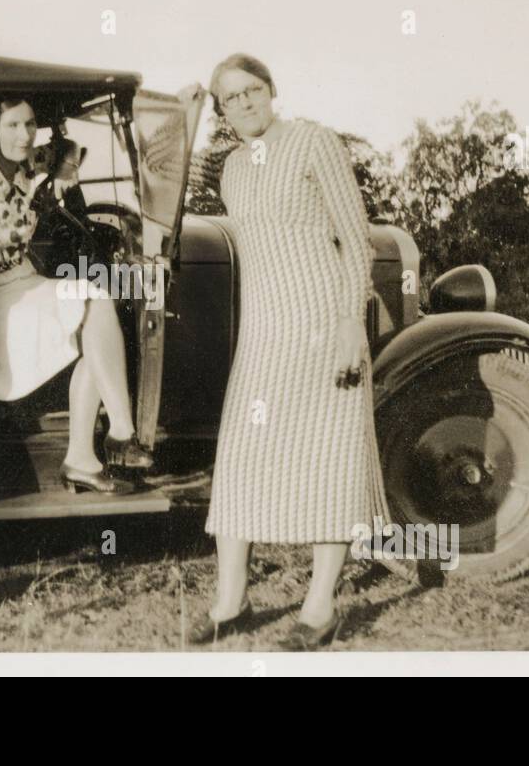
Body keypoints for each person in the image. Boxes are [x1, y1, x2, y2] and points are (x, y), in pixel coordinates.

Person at [188, 54, 390, 651]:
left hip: (324, 321)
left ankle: (319, 608)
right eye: (230, 97)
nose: (245, 103)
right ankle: (232, 602)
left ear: (271, 90)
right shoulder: (229, 168)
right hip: (264, 331)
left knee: (330, 457)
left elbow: (355, 237)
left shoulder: (313, 142)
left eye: (252, 90)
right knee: (241, 458)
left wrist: (351, 321)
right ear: (222, 110)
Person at [0, 95, 152, 493]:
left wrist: (65, 171)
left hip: (27, 279)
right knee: (92, 309)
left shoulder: (29, 164)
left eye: (30, 124)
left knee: (97, 313)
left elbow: (71, 147)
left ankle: (96, 447)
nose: (25, 135)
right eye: (12, 125)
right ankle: (116, 437)